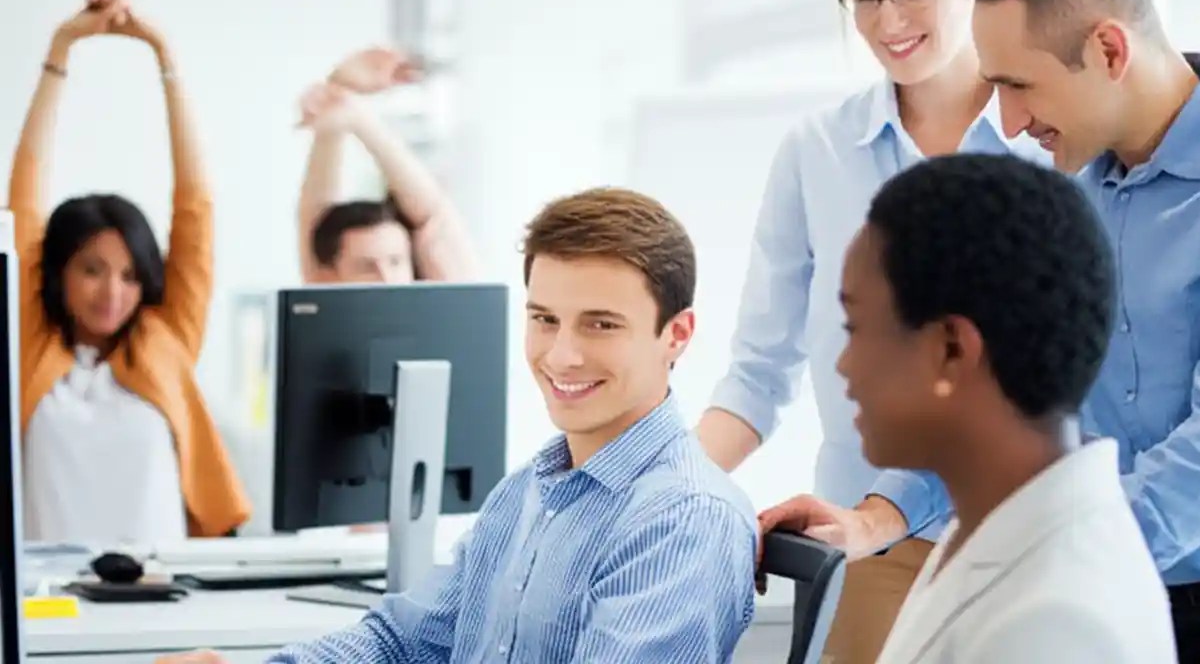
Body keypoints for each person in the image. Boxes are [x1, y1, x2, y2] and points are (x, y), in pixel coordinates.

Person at [764, 0, 1200, 661]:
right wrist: (872, 520)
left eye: (1018, 85)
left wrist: (1040, 556)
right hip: (1089, 575)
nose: (1007, 124)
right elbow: (997, 399)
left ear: (1108, 49)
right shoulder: (1067, 194)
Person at [156, 188, 758, 663]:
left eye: (600, 324)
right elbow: (404, 643)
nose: (561, 355)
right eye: (545, 319)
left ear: (675, 335)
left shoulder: (684, 520)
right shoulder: (528, 492)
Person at [694, 0, 1045, 659]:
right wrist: (658, 489)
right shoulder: (817, 152)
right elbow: (758, 374)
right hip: (868, 539)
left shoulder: (1046, 140)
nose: (888, 22)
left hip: (1018, 538)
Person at [779, 152, 1175, 662]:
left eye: (856, 329)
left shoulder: (1055, 623)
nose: (843, 367)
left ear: (951, 350)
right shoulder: (994, 525)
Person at [8, 0, 249, 542]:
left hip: (161, 601)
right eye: (92, 269)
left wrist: (165, 58)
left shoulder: (166, 340)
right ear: (58, 272)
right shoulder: (33, 345)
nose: (112, 291)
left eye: (130, 275)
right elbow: (21, 200)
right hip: (52, 608)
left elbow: (196, 207)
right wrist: (60, 49)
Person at [296, 47, 477, 284]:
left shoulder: (446, 310)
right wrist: (335, 111)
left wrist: (360, 120)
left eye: (395, 261)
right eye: (366, 267)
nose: (386, 278)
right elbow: (314, 220)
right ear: (328, 276)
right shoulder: (324, 302)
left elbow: (434, 215)